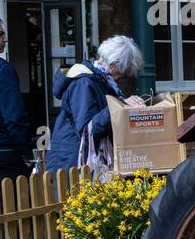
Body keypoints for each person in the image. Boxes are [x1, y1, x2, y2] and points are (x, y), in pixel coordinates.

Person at [45, 35, 145, 173]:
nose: (122, 77)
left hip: (83, 159)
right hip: (72, 162)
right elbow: (87, 129)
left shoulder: (102, 80)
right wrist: (120, 105)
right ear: (114, 63)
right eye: (123, 71)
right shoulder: (83, 83)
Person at [0, 16, 32, 181]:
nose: (5, 39)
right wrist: (26, 151)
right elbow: (15, 118)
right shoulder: (2, 70)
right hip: (2, 153)